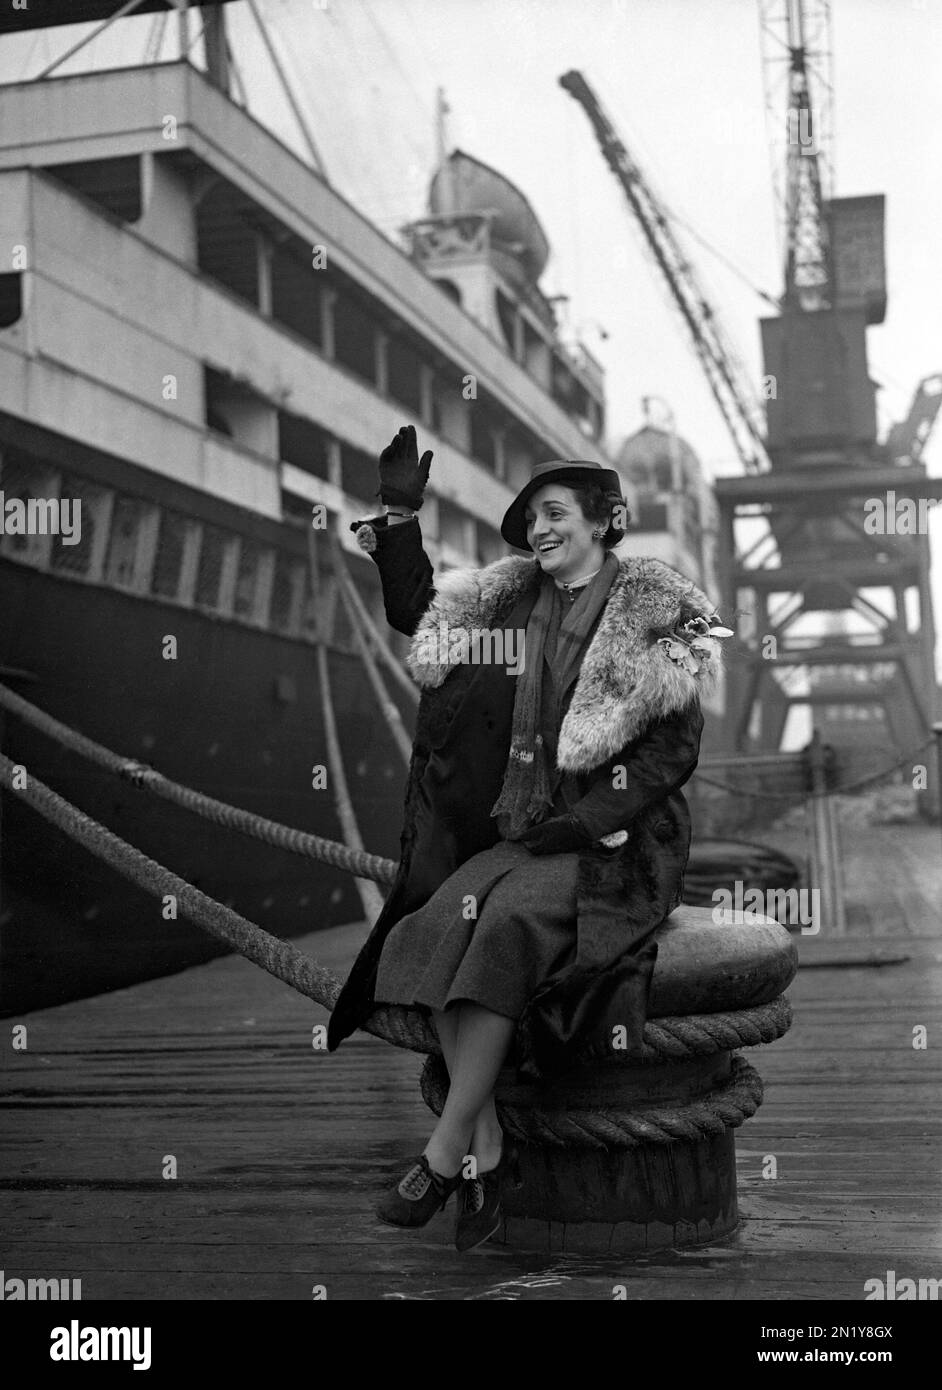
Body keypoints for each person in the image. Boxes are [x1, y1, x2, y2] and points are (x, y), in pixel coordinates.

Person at [326, 424, 728, 1252]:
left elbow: (673, 751)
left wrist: (590, 819)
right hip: (522, 831)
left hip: (615, 842)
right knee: (420, 933)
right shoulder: (506, 600)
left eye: (554, 515)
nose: (540, 531)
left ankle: (444, 1158)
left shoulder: (663, 609)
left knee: (501, 930)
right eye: (532, 520)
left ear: (603, 520)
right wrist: (398, 514)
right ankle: (490, 1145)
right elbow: (418, 615)